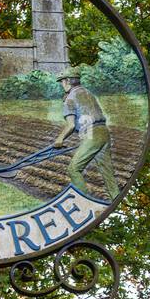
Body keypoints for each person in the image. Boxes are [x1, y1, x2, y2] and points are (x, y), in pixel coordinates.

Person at [52, 67, 117, 201]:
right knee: (107, 172)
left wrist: (59, 139)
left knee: (73, 169)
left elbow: (71, 125)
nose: (61, 84)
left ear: (68, 81)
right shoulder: (88, 93)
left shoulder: (70, 98)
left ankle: (84, 201)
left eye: (62, 82)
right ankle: (116, 198)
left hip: (91, 133)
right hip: (103, 132)